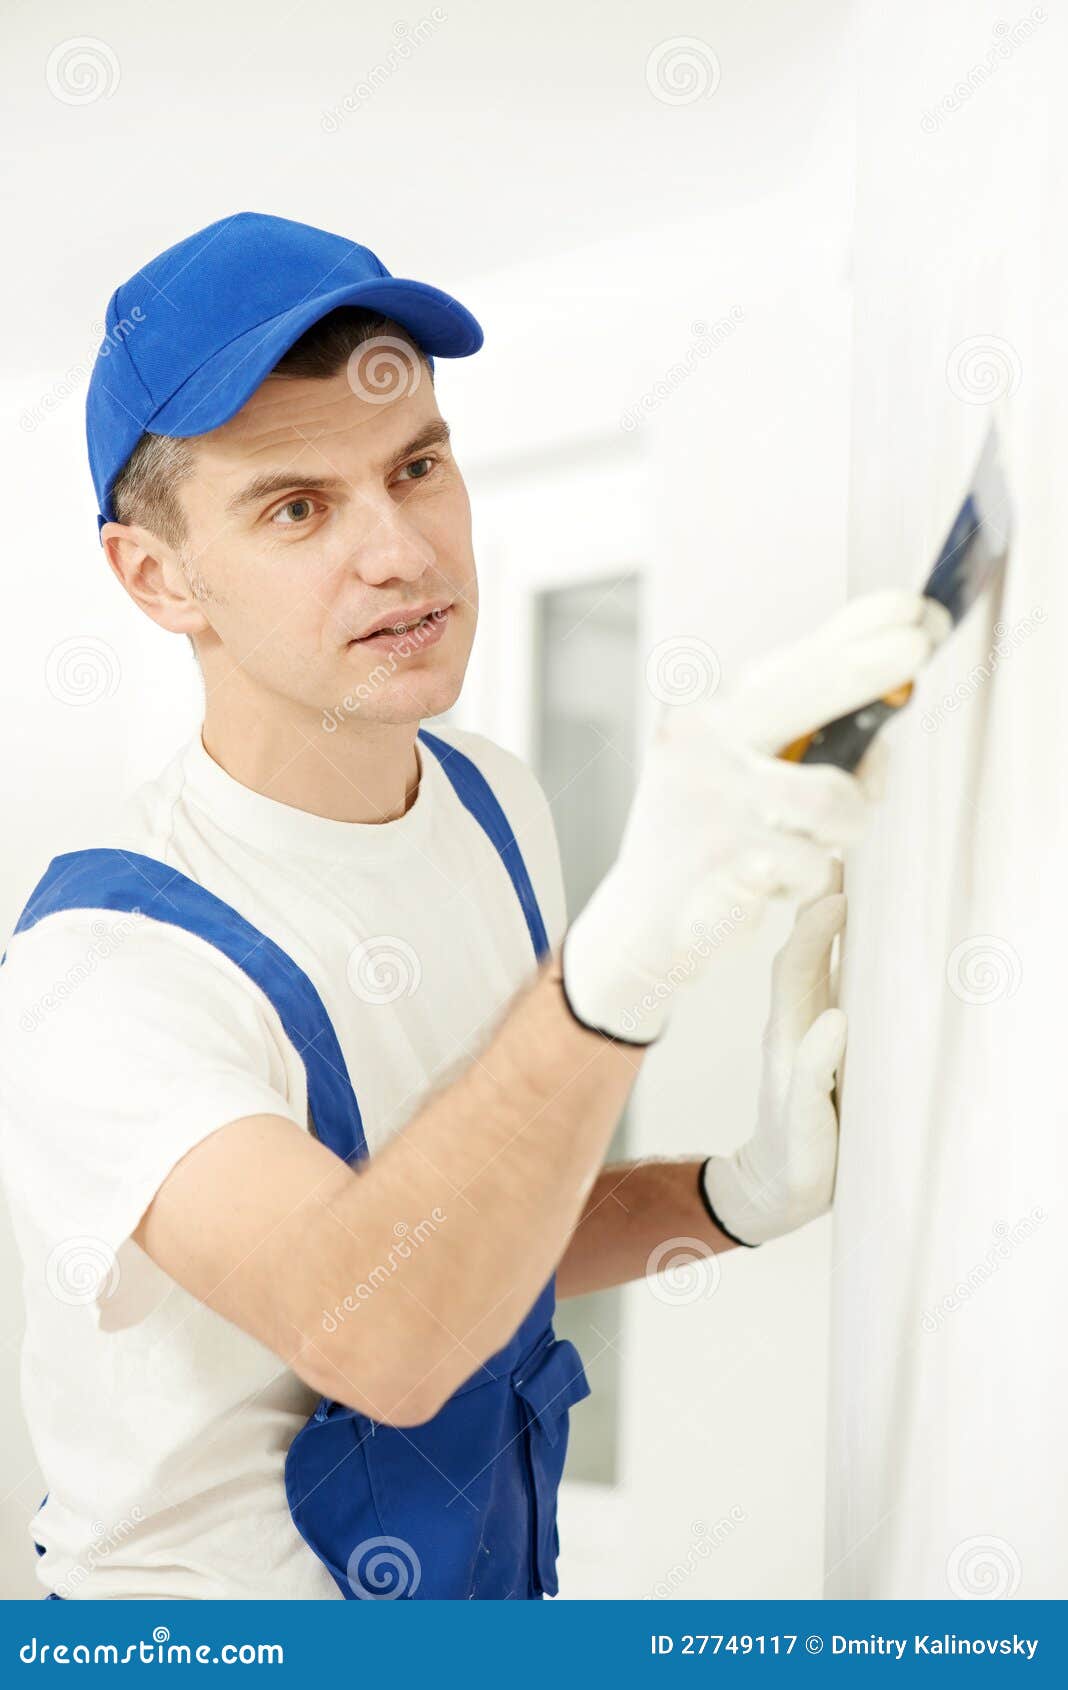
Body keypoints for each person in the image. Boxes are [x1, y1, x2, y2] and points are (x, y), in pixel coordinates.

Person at [0, 212, 947, 1601]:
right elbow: (375, 1327)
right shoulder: (100, 967)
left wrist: (727, 1196)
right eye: (296, 507)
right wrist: (619, 967)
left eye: (416, 465)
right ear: (158, 578)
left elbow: (463, 1239)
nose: (398, 551)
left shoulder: (497, 806)